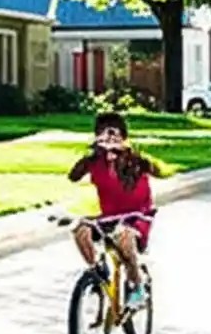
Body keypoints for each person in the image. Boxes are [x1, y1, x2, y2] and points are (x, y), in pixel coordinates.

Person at [67, 111, 163, 309]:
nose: (109, 139)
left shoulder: (134, 158)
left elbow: (160, 171)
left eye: (114, 134)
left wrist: (128, 153)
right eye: (103, 133)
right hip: (109, 216)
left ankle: (136, 285)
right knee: (80, 229)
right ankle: (97, 272)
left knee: (123, 237)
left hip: (137, 216)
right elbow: (73, 176)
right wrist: (91, 155)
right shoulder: (95, 161)